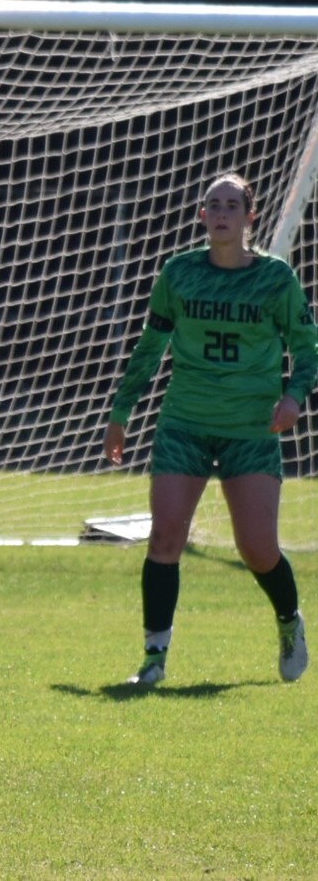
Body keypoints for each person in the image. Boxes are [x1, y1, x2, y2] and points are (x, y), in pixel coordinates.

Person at [103, 173, 316, 686]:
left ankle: (289, 621)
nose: (222, 213)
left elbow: (308, 347)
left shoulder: (275, 278)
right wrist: (120, 411)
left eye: (232, 205)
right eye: (213, 205)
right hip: (185, 423)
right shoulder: (179, 274)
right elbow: (150, 347)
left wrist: (293, 396)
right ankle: (154, 660)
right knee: (165, 538)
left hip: (250, 428)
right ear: (202, 215)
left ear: (250, 216)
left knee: (258, 549)